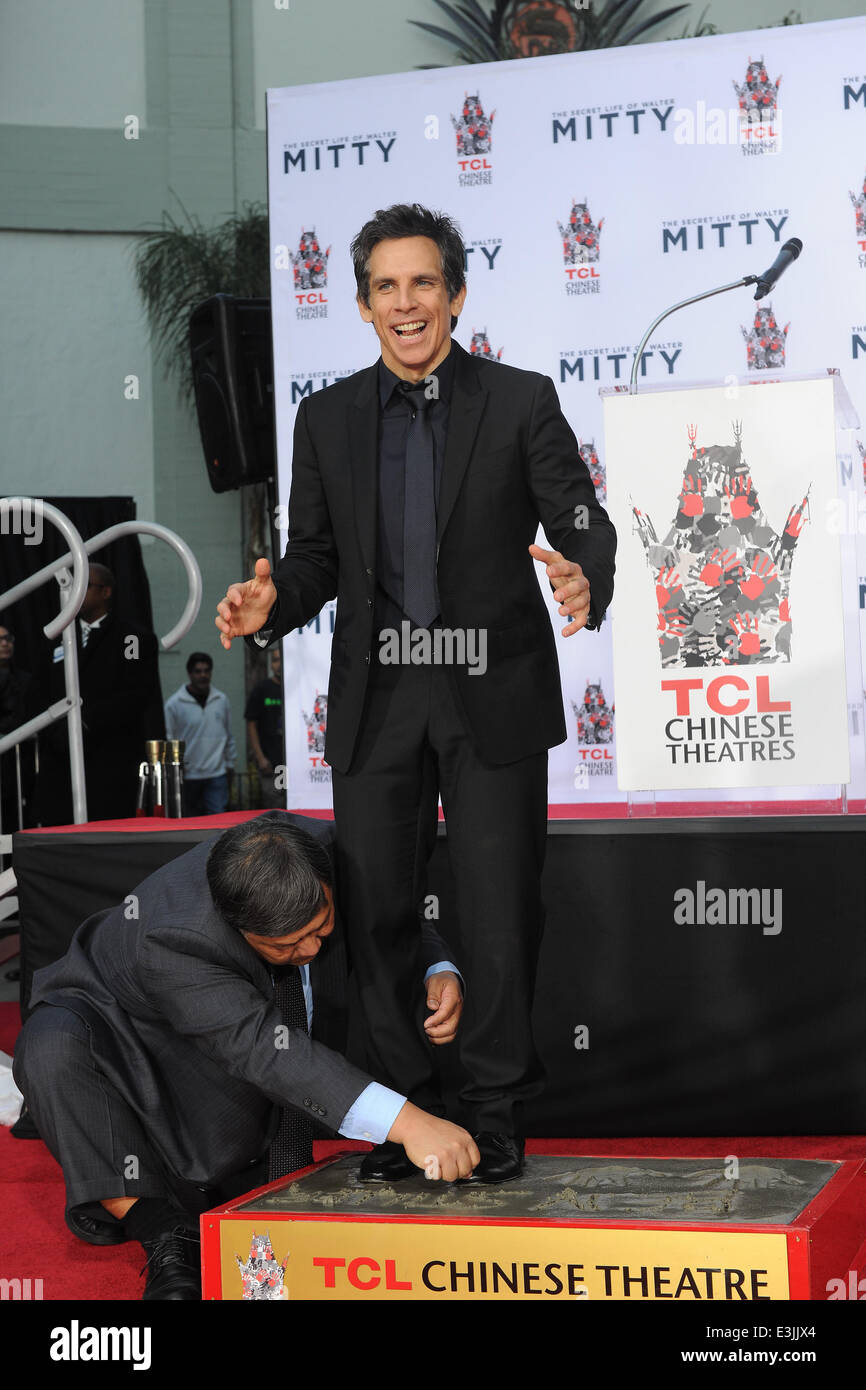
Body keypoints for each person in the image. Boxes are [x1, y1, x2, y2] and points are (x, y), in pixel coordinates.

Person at [216, 203, 616, 1184]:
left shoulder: (518, 399)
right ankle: (406, 1113)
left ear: (455, 294)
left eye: (423, 283)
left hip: (493, 689)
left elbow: (580, 516)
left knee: (495, 909)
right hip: (376, 692)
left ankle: (492, 1105)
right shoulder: (327, 417)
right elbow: (309, 561)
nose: (406, 303)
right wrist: (270, 603)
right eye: (386, 287)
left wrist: (584, 572)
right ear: (360, 304)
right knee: (377, 906)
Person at [13, 812, 477, 1299]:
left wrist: (435, 964)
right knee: (50, 1047)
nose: (313, 949)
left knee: (235, 1163)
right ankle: (164, 1235)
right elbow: (264, 1051)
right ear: (236, 927)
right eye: (287, 944)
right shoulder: (173, 940)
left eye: (321, 927)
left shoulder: (332, 850)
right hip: (119, 1032)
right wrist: (409, 1123)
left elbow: (391, 909)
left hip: (220, 1035)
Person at [36, 563, 164, 824]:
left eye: (86, 586)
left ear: (106, 592)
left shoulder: (133, 638)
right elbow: (39, 690)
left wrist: (85, 721)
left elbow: (136, 695)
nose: (76, 593)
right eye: (74, 586)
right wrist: (55, 729)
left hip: (109, 761)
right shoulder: (55, 635)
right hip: (60, 763)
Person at [164, 652, 235, 815]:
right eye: (198, 671)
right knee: (190, 825)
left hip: (217, 775)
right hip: (188, 777)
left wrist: (230, 764)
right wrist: (175, 772)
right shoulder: (174, 704)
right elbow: (169, 739)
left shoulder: (221, 700)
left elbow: (228, 736)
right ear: (190, 673)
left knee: (218, 824)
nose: (203, 675)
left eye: (206, 671)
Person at [0, 622, 35, 834]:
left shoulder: (24, 680)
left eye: (8, 639)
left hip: (18, 763)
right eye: (0, 639)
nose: (5, 644)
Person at [244, 647, 285, 809]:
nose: (279, 664)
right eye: (275, 660)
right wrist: (260, 757)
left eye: (281, 659)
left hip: (293, 764)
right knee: (275, 808)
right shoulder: (262, 689)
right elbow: (251, 724)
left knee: (296, 809)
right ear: (271, 665)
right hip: (271, 763)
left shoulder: (296, 688)